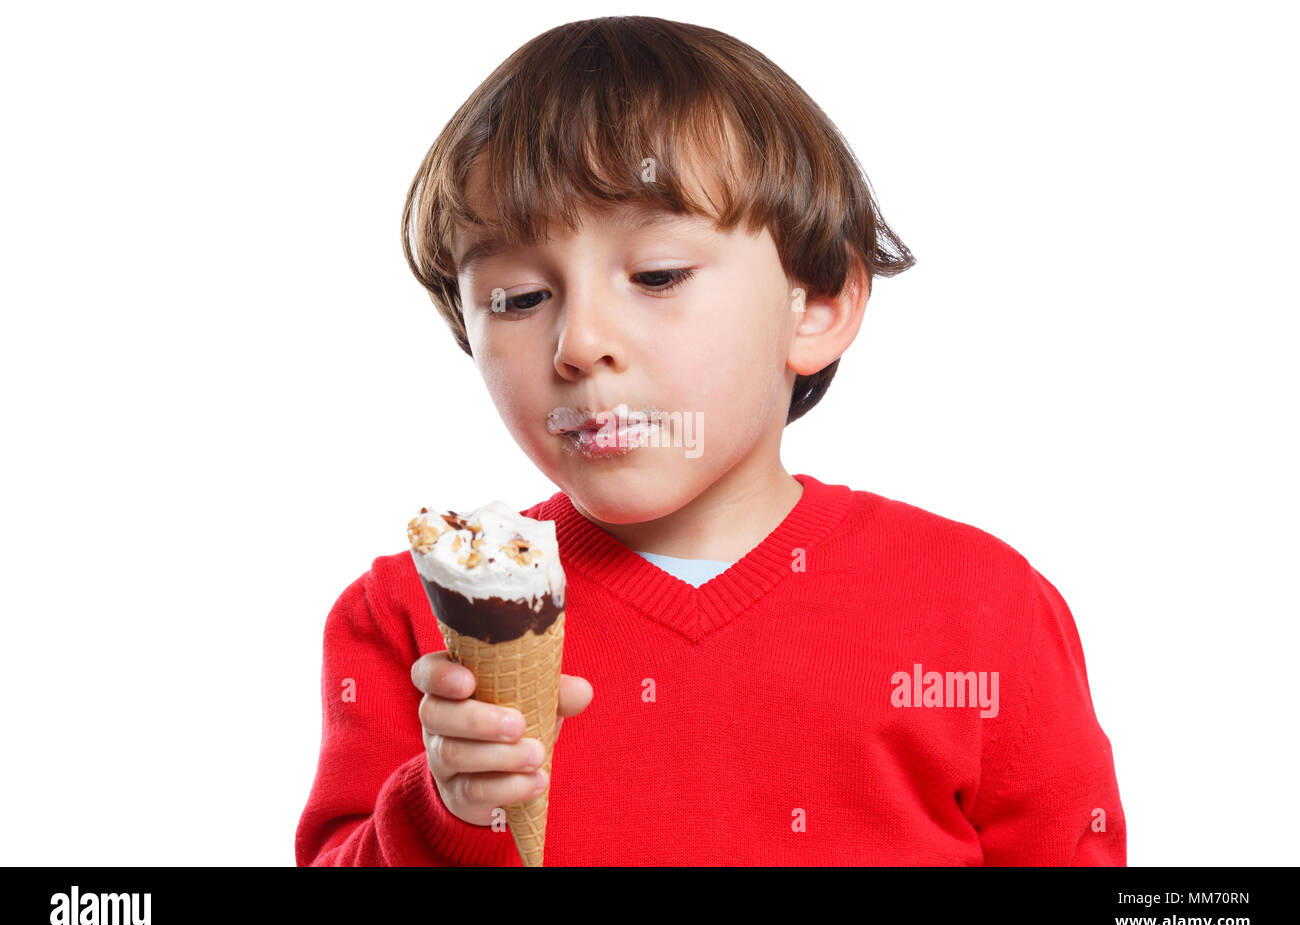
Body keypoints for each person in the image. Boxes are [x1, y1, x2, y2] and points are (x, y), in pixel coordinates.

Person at [295, 15, 1125, 866]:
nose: (579, 343)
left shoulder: (986, 611)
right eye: (516, 298)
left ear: (822, 304)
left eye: (657, 276)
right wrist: (448, 813)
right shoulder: (405, 620)